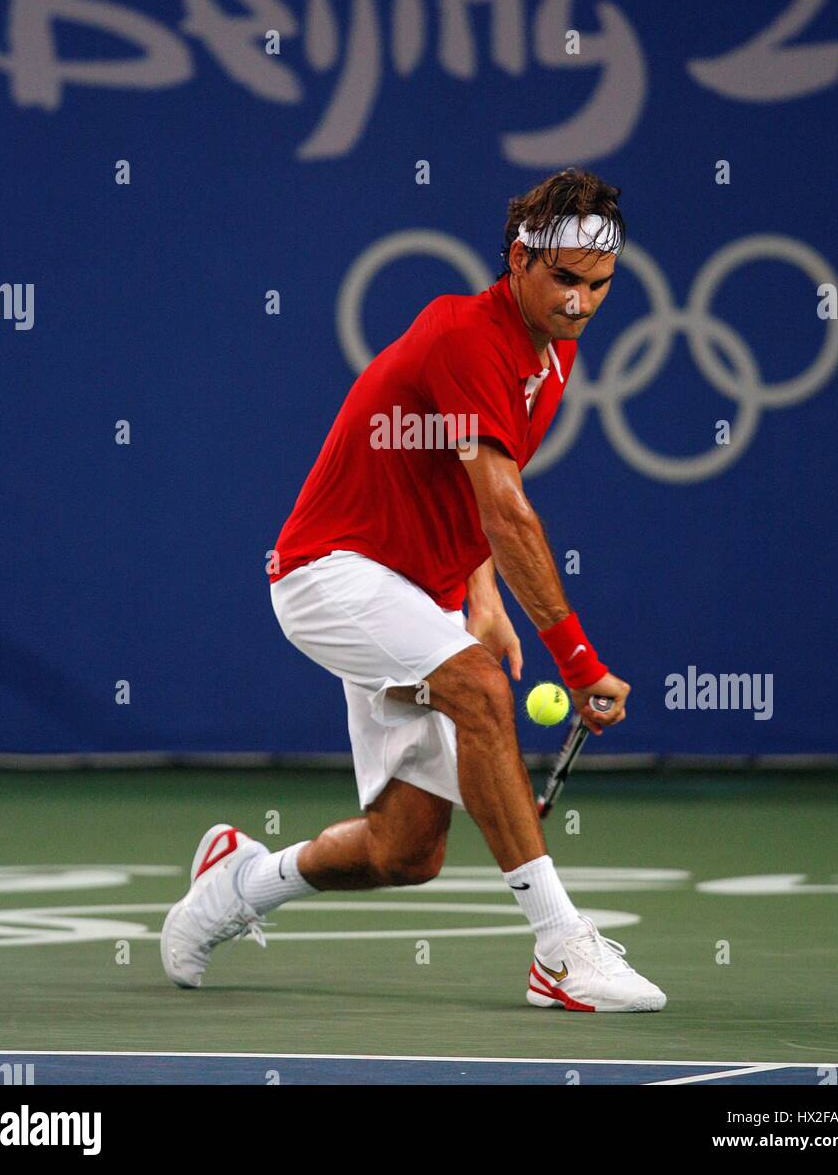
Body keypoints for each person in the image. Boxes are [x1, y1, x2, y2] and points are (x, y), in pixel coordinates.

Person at [161, 167, 666, 1012]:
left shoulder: (554, 352)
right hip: (329, 572)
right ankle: (560, 951)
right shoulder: (467, 334)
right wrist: (576, 663)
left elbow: (470, 495)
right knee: (475, 689)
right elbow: (507, 512)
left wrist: (486, 600)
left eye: (600, 286)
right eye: (565, 281)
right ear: (517, 259)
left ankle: (240, 880)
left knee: (405, 852)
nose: (581, 303)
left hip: (414, 593)